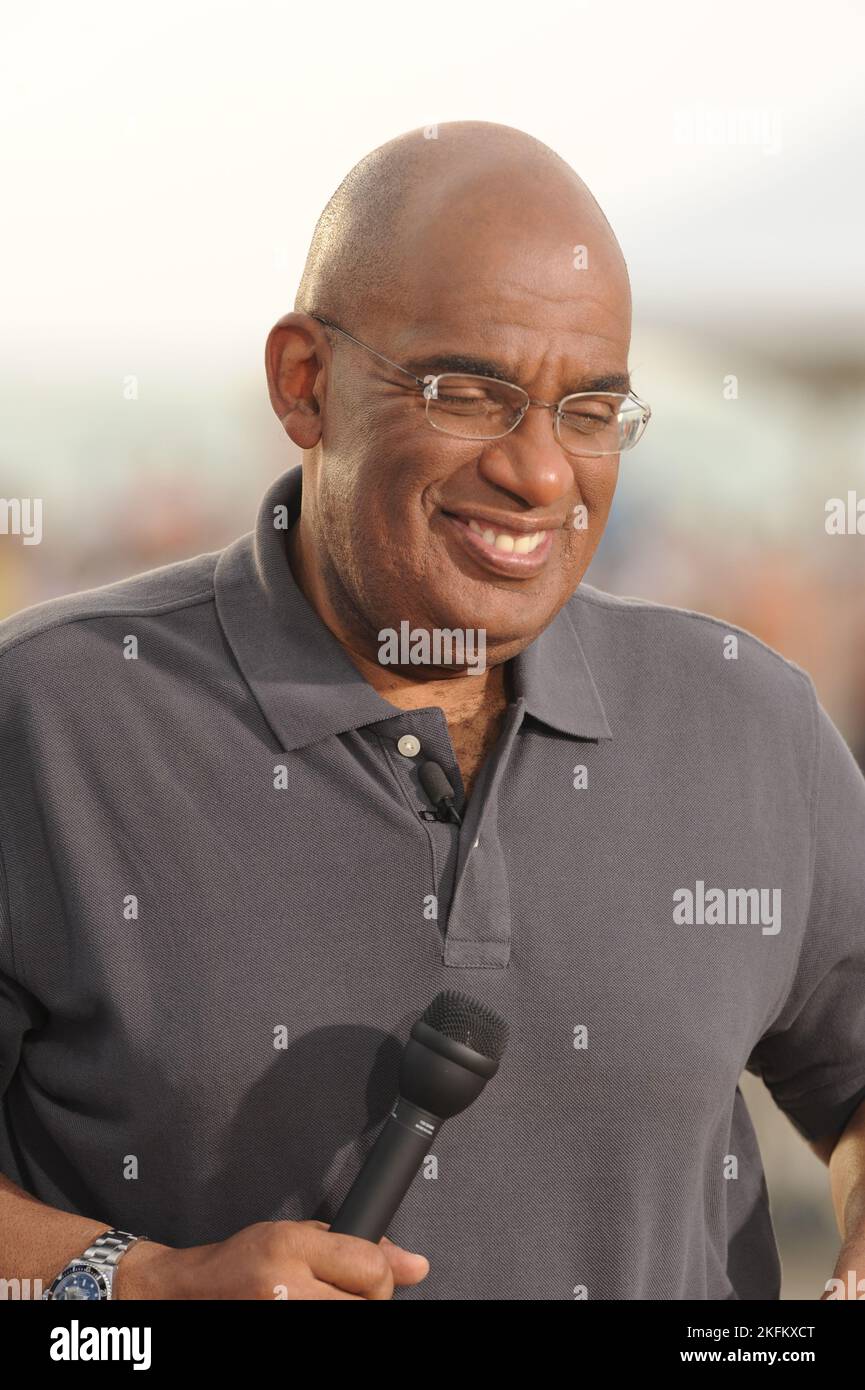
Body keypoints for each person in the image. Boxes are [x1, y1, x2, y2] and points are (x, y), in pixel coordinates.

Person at [1, 120, 864, 1301]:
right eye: (471, 393)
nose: (542, 474)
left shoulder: (748, 721)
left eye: (592, 411)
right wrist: (139, 1285)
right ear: (305, 383)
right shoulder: (49, 718)